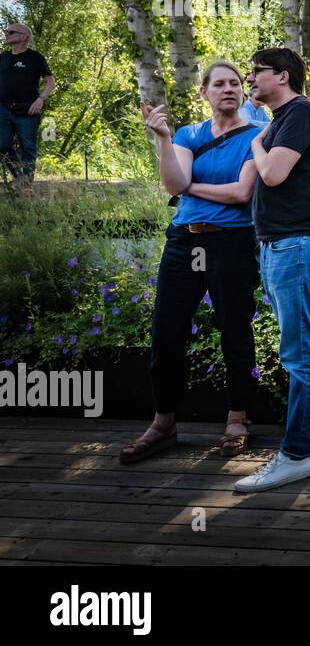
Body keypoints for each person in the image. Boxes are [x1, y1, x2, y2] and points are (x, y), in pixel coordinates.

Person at [120, 61, 261, 465]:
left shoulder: (256, 135)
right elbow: (171, 183)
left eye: (235, 83)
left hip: (231, 243)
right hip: (184, 242)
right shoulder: (186, 134)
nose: (229, 89)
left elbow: (240, 194)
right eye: (219, 84)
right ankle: (163, 422)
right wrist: (164, 139)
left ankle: (237, 418)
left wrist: (190, 187)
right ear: (204, 92)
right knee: (166, 331)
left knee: (234, 329)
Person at [235, 47, 310, 494]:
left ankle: (296, 456)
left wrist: (257, 143)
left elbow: (273, 174)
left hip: (295, 245)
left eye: (255, 73)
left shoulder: (297, 114)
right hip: (292, 244)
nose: (249, 80)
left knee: (299, 353)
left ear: (281, 75)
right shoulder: (290, 118)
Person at [0, 22, 55, 186]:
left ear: (23, 37)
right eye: (6, 31)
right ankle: (19, 176)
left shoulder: (35, 58)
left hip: (28, 110)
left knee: (28, 147)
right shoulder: (2, 57)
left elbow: (50, 82)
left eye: (10, 32)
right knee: (1, 145)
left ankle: (26, 185)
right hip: (2, 109)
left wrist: (40, 99)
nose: (6, 34)